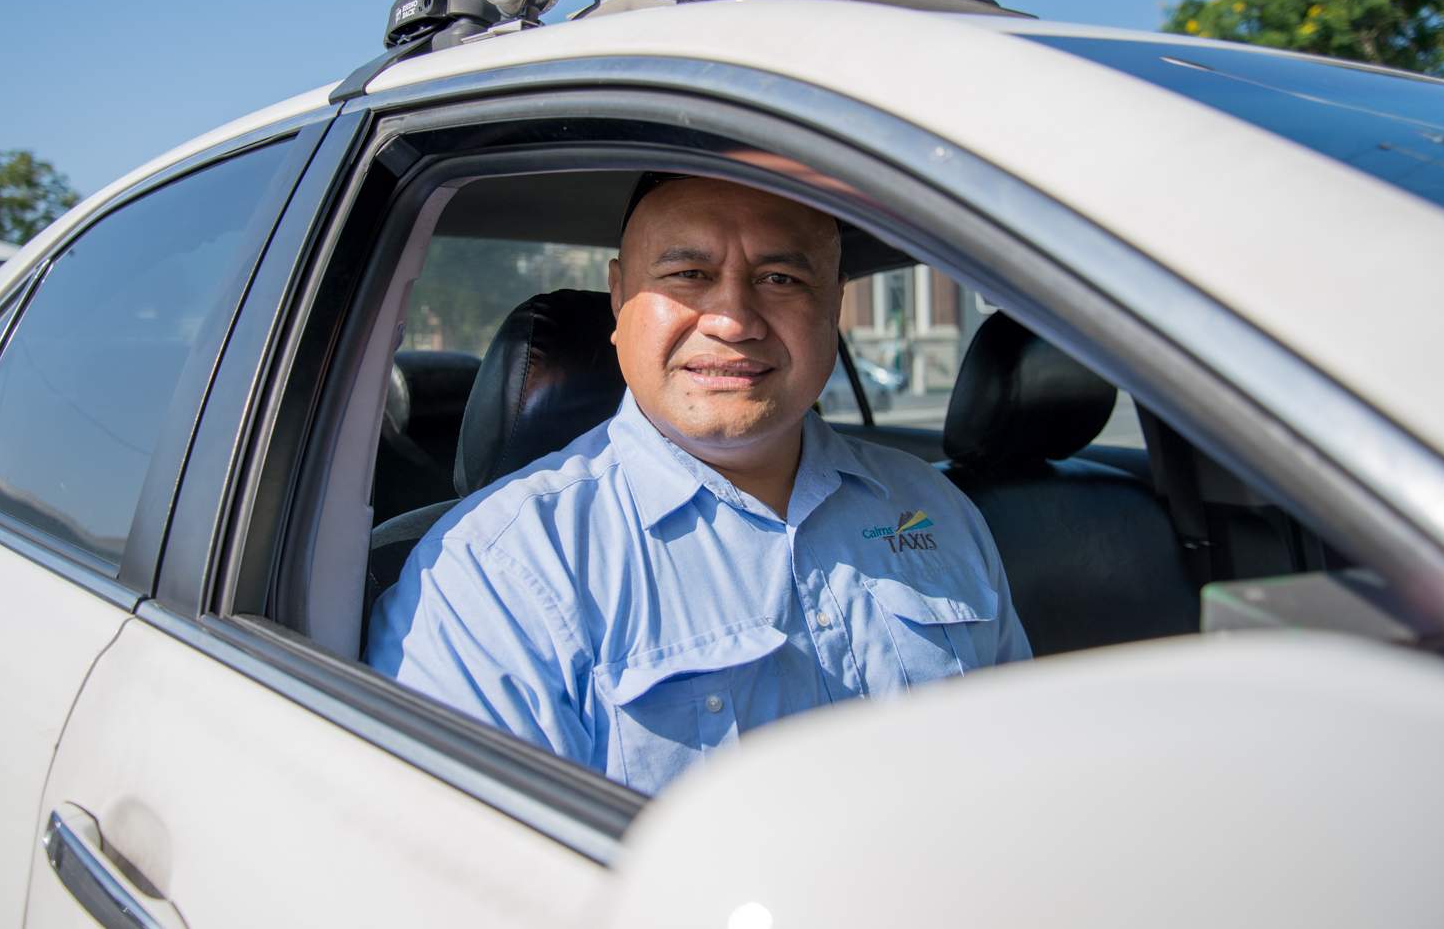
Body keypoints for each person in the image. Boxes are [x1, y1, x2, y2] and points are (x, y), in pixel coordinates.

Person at [365, 175, 1030, 794]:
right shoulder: (498, 570)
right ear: (620, 299)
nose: (734, 320)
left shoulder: (933, 510)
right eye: (688, 275)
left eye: (779, 277)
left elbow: (1025, 767)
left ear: (833, 304)